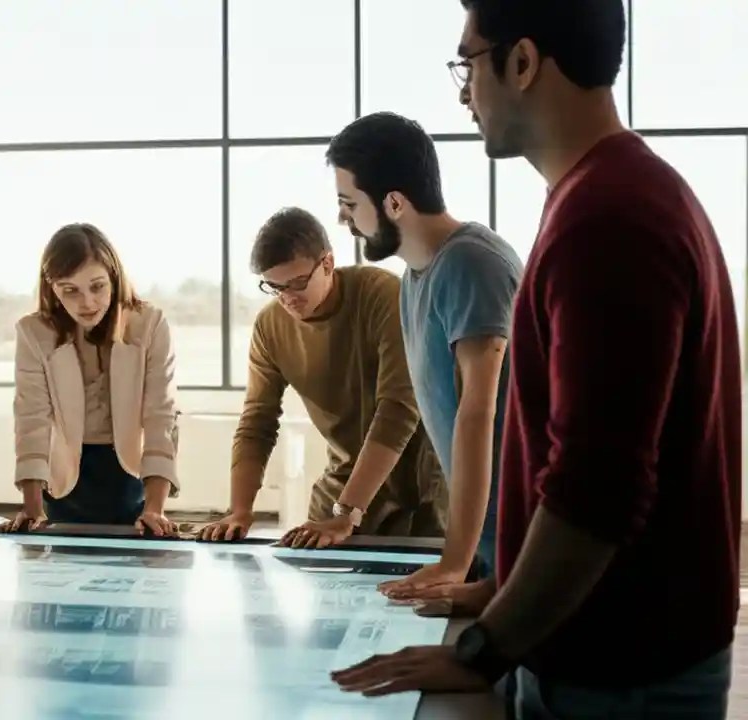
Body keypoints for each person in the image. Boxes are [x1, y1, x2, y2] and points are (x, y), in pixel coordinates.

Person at [333, 2, 740, 717]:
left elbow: (597, 489)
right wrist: (495, 589)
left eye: (469, 63)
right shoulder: (602, 195)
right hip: (601, 644)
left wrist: (485, 648)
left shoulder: (610, 217)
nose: (463, 91)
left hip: (618, 665)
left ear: (522, 62)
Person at [325, 111, 522, 592]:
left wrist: (452, 563)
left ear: (393, 202)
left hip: (526, 540)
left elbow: (477, 414)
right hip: (489, 543)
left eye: (349, 203)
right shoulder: (415, 279)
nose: (342, 218)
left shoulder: (472, 263)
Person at [199, 207, 446, 548]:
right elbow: (257, 422)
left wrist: (348, 512)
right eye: (274, 287)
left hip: (422, 489)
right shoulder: (270, 327)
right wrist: (240, 510)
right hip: (341, 488)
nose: (288, 297)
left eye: (298, 283)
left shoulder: (382, 295)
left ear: (327, 264)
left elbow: (399, 410)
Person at [0, 223, 181, 536]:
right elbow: (31, 420)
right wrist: (32, 508)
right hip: (65, 476)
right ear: (52, 288)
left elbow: (160, 417)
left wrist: (155, 509)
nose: (87, 303)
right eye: (70, 290)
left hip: (130, 473)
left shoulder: (149, 324)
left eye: (97, 286)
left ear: (114, 278)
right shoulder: (33, 332)